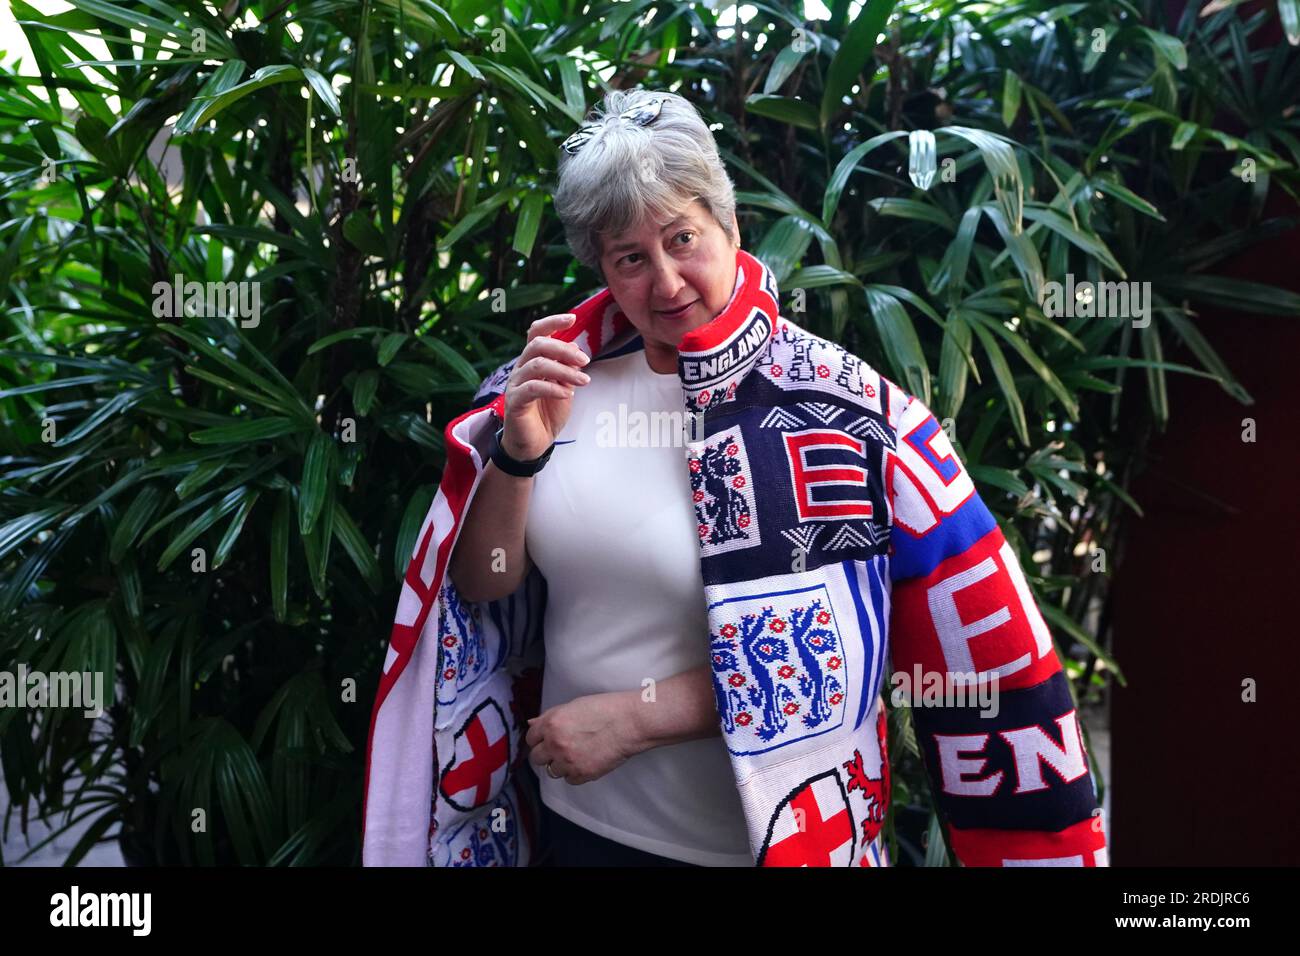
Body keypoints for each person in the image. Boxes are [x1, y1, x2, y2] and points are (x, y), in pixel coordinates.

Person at [362, 89, 1110, 868]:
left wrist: (632, 720)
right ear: (604, 271)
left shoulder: (833, 408)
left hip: (759, 842)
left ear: (730, 227)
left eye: (682, 238)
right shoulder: (551, 386)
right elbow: (485, 593)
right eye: (630, 258)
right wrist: (517, 457)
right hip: (575, 826)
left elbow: (843, 658)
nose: (666, 281)